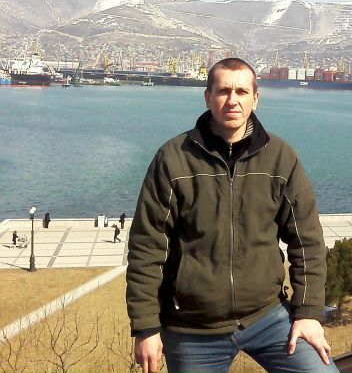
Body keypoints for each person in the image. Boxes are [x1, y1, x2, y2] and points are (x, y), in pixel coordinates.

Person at [126, 58, 336, 373]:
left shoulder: (280, 157)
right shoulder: (173, 158)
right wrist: (146, 327)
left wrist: (307, 313)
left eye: (241, 91)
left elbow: (306, 241)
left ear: (255, 98)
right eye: (223, 91)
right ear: (208, 97)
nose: (232, 100)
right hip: (192, 328)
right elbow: (147, 246)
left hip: (267, 317)